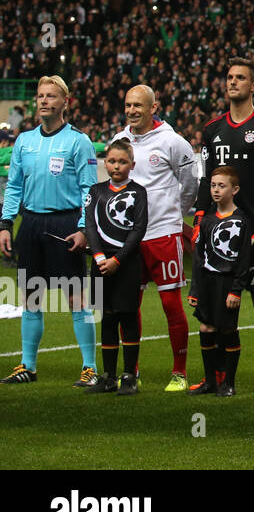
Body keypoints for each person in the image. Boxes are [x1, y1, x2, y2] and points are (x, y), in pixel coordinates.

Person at [194, 58, 254, 394]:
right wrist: (199, 217)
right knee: (217, 301)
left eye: (241, 78)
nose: (233, 82)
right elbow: (206, 179)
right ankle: (218, 375)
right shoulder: (212, 129)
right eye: (230, 77)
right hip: (219, 230)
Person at [0, 76, 99, 386]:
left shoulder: (78, 141)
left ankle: (89, 367)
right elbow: (14, 186)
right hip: (30, 224)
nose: (44, 101)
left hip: (65, 224)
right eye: (40, 96)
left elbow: (89, 190)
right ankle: (28, 365)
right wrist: (5, 224)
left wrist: (84, 228)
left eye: (51, 96)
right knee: (31, 298)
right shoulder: (24, 141)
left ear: (64, 102)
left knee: (77, 299)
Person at [112, 84, 199, 392]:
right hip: (128, 241)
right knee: (127, 305)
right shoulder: (118, 142)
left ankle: (179, 372)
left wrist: (174, 214)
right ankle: (131, 372)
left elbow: (190, 184)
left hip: (162, 235)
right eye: (128, 105)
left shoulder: (173, 142)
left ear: (153, 107)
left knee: (170, 304)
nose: (132, 110)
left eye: (138, 105)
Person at [83, 138, 149, 396]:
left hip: (127, 263)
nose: (116, 166)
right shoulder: (95, 191)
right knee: (107, 317)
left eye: (122, 161)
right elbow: (90, 226)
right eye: (112, 161)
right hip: (100, 264)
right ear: (105, 163)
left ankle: (129, 376)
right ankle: (109, 376)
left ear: (132, 164)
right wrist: (100, 257)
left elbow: (138, 229)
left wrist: (117, 260)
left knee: (128, 317)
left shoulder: (138, 192)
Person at [187, 166, 253, 397]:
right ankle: (210, 381)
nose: (216, 190)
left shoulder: (241, 221)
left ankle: (229, 382)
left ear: (234, 189)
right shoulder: (207, 220)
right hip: (207, 282)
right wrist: (195, 289)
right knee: (206, 327)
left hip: (227, 283)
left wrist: (236, 289)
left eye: (221, 186)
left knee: (227, 329)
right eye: (213, 185)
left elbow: (244, 259)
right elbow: (199, 258)